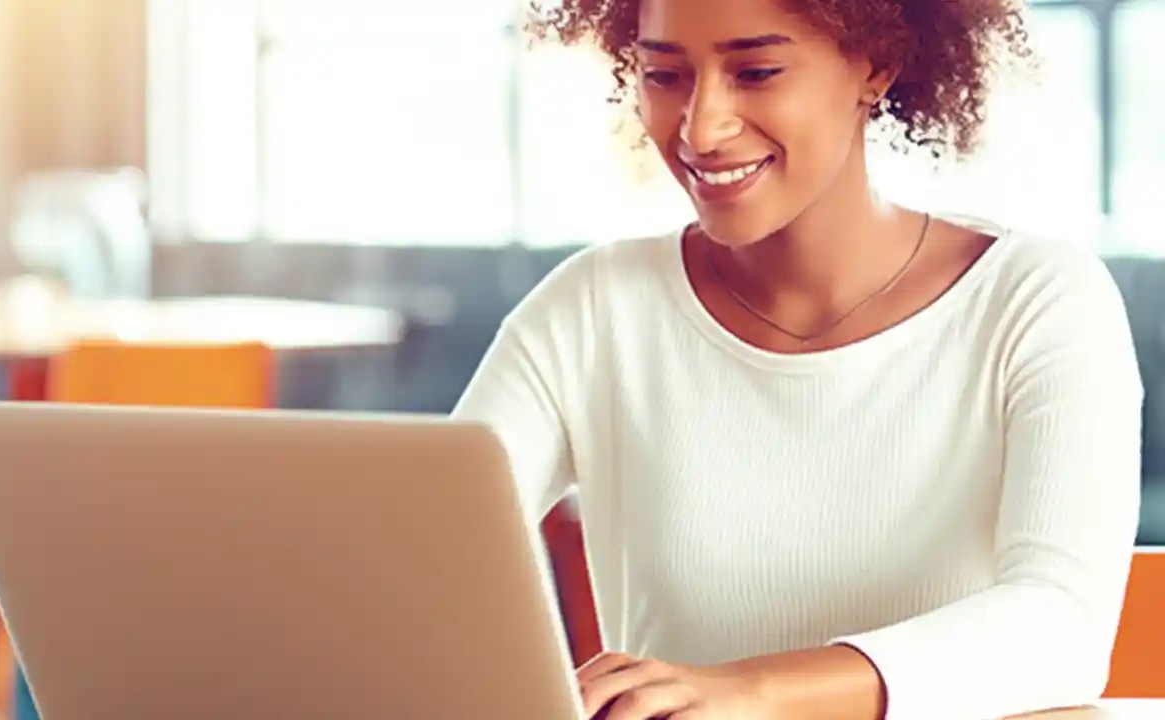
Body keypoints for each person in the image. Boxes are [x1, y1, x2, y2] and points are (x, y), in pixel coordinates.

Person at [453, 0, 1143, 718]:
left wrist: (750, 690)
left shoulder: (1036, 300)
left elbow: (1061, 630)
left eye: (756, 72)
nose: (700, 127)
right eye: (664, 76)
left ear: (877, 65)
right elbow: (423, 553)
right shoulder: (593, 308)